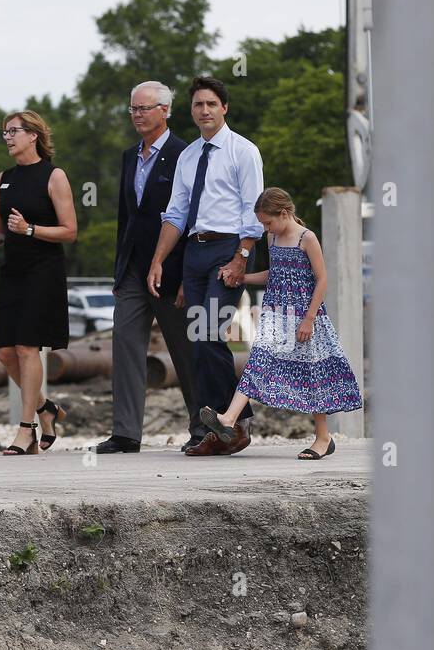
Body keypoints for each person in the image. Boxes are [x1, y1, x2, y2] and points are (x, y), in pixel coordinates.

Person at [198, 188, 363, 459]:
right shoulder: (273, 238)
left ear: (284, 214)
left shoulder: (306, 238)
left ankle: (323, 437)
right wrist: (241, 278)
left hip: (304, 316)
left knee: (313, 374)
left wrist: (309, 319)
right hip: (276, 315)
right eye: (263, 224)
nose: (264, 228)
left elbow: (322, 280)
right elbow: (276, 275)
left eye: (267, 222)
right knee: (258, 361)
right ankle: (228, 419)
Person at [147, 76, 264, 456]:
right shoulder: (188, 156)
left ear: (224, 108)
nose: (204, 110)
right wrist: (160, 261)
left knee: (210, 331)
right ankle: (214, 428)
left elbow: (254, 211)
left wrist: (240, 257)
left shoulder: (243, 151)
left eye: (211, 104)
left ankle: (232, 423)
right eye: (198, 104)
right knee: (196, 340)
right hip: (194, 253)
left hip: (229, 249)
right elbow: (177, 213)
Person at [96, 81, 206, 453]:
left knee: (185, 351)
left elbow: (192, 218)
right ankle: (126, 433)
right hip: (131, 272)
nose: (137, 115)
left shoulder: (186, 154)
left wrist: (187, 276)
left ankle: (202, 427)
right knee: (125, 347)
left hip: (172, 271)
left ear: (165, 111)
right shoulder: (129, 156)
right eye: (133, 109)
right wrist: (118, 271)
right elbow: (126, 217)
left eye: (144, 108)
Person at [0, 110, 77, 454]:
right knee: (5, 352)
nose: (7, 137)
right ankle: (45, 408)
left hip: (43, 270)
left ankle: (26, 431)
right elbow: (1, 229)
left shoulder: (54, 176)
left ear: (33, 135)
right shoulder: (2, 178)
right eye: (4, 132)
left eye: (13, 131)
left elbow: (70, 231)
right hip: (13, 270)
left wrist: (31, 229)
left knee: (27, 348)